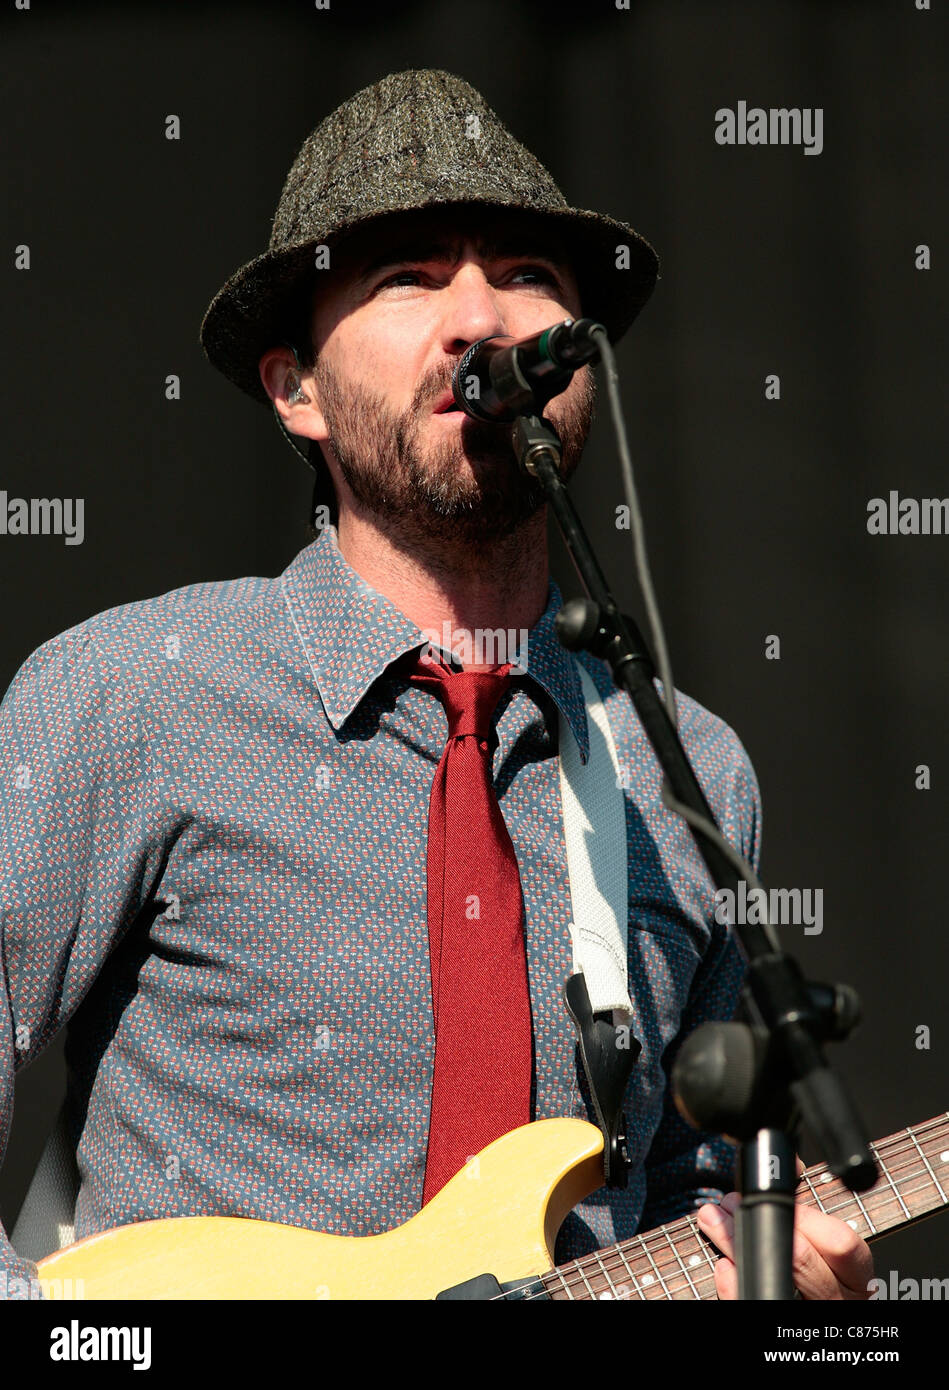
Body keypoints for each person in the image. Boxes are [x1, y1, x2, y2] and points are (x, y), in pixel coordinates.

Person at [0, 68, 871, 1300]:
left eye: (527, 276)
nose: (481, 319)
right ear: (293, 388)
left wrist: (779, 1296)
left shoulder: (692, 769)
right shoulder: (130, 692)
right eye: (409, 274)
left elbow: (675, 1195)